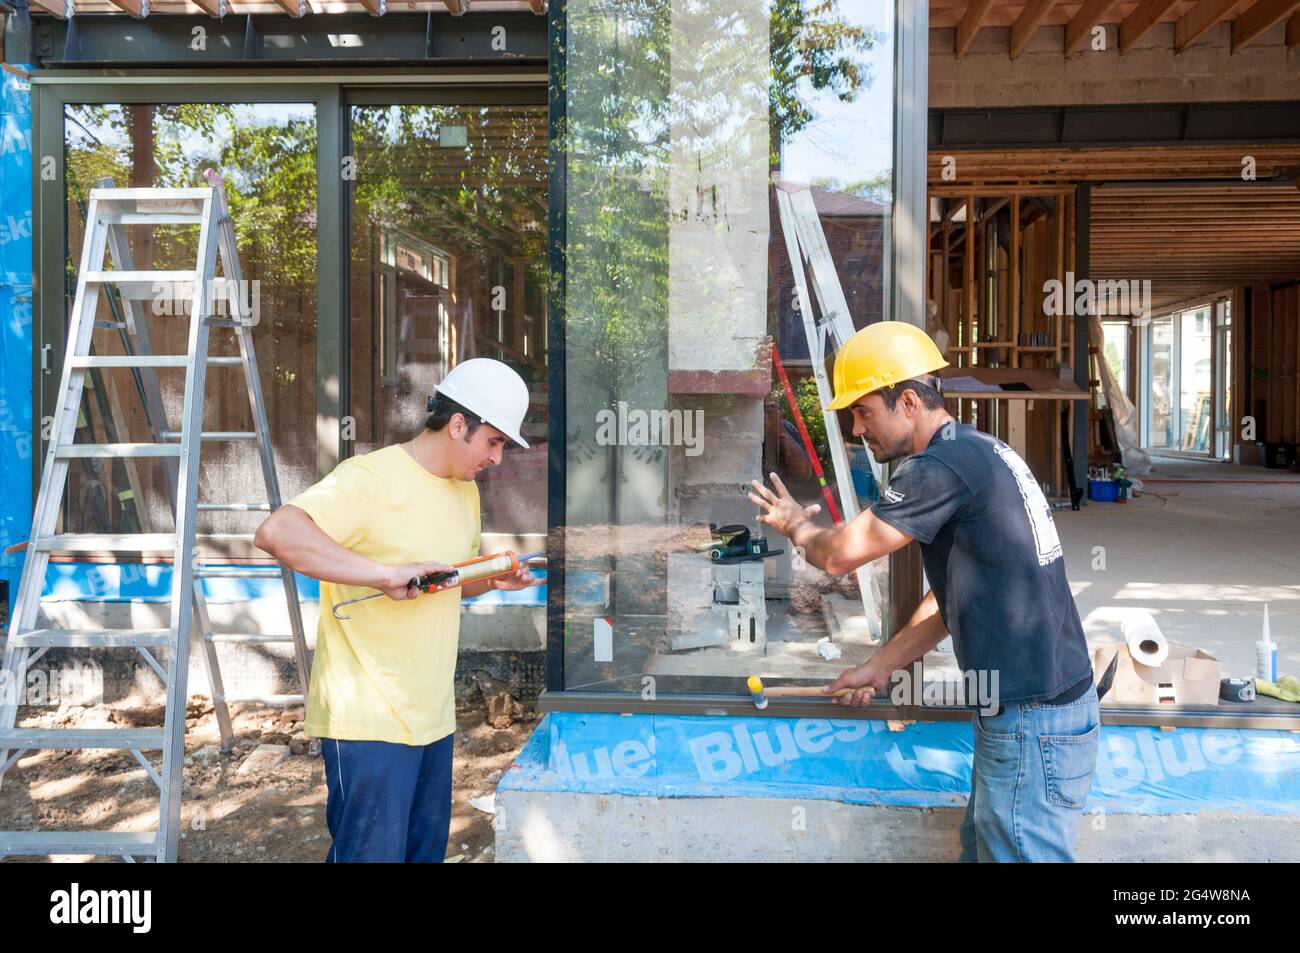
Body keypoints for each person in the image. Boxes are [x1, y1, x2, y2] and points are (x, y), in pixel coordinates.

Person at [747, 321, 1098, 863]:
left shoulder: (939, 468)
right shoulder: (983, 451)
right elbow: (952, 599)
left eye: (864, 412)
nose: (857, 429)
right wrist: (880, 666)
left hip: (1033, 718)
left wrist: (797, 526)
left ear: (908, 401)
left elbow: (840, 552)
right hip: (1034, 712)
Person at [254, 358, 541, 862]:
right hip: (368, 721)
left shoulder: (464, 491)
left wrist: (490, 579)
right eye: (494, 441)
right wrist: (381, 574)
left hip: (432, 716)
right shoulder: (369, 479)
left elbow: (441, 582)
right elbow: (277, 533)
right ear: (459, 424)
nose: (497, 458)